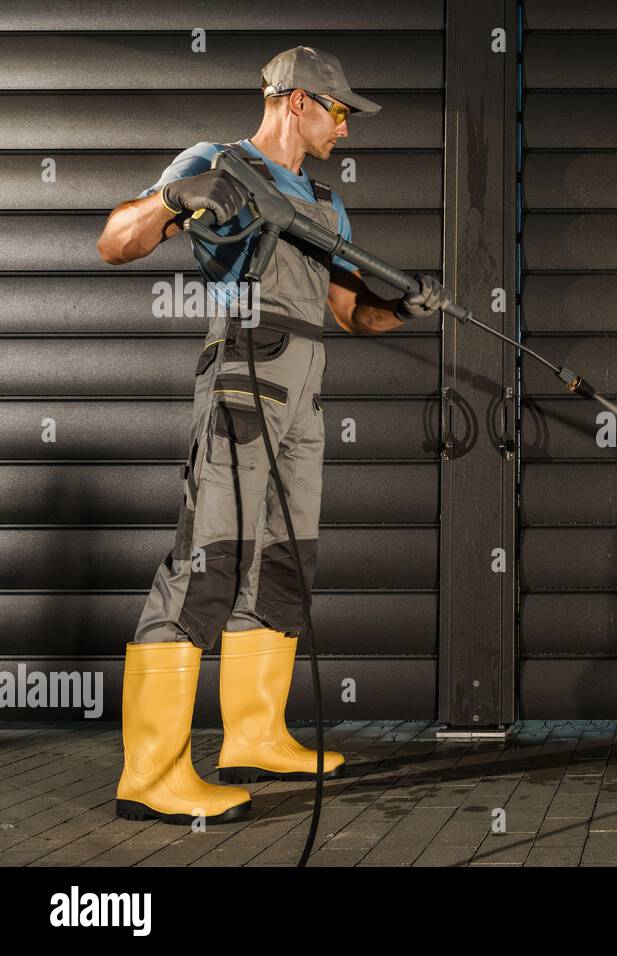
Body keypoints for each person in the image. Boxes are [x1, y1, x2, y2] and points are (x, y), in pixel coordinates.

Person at [95, 46, 449, 825]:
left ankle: (255, 735)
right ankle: (151, 774)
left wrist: (407, 305)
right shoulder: (216, 161)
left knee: (283, 564)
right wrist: (179, 198)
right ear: (297, 101)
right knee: (209, 557)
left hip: (306, 389)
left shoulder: (324, 201)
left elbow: (352, 314)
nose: (345, 130)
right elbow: (115, 241)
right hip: (243, 370)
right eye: (340, 112)